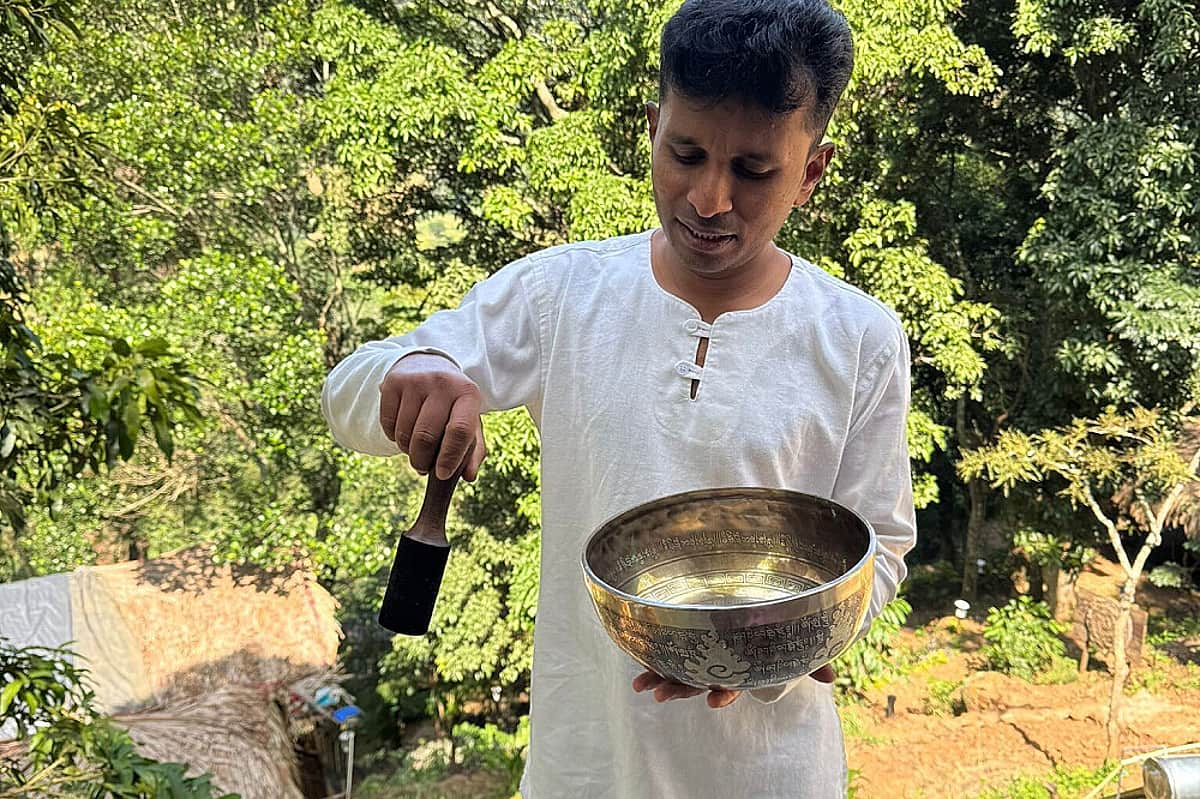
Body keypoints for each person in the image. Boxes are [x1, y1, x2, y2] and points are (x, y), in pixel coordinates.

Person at [322, 0, 916, 795]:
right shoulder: (562, 295)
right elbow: (347, 394)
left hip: (773, 773)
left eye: (753, 170)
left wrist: (770, 658)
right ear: (652, 129)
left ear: (811, 172)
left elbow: (883, 544)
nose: (709, 198)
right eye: (686, 153)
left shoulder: (860, 337)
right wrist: (417, 367)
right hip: (583, 767)